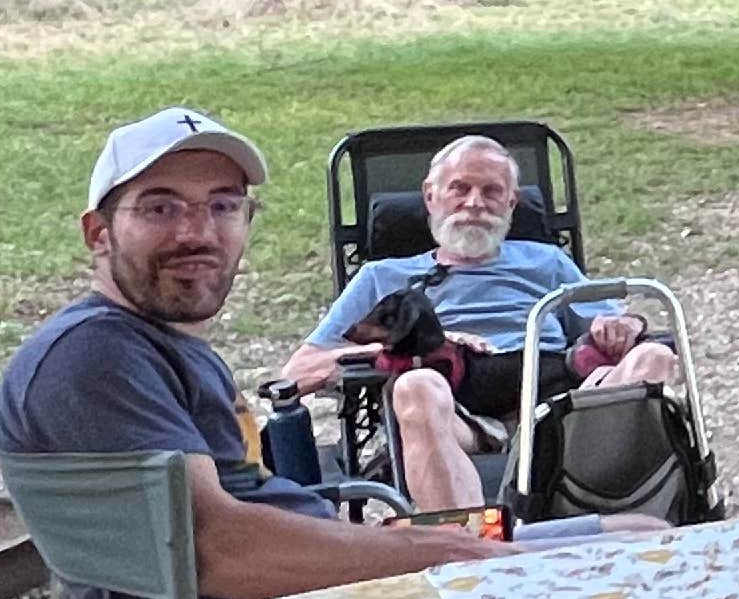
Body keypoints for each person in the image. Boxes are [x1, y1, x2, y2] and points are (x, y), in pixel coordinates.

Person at [0, 107, 507, 599]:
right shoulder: (91, 358)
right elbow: (217, 552)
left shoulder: (160, 345)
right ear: (98, 233)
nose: (197, 232)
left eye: (223, 205)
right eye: (159, 209)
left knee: (572, 549)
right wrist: (449, 553)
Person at [283, 131, 679, 511]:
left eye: (492, 192)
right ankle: (471, 550)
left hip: (558, 410)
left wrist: (622, 329)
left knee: (654, 360)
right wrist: (395, 347)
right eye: (459, 188)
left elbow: (613, 329)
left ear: (511, 204)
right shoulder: (383, 277)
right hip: (459, 416)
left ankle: (593, 513)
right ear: (430, 196)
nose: (474, 203)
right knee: (418, 384)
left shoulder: (548, 262)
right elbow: (297, 373)